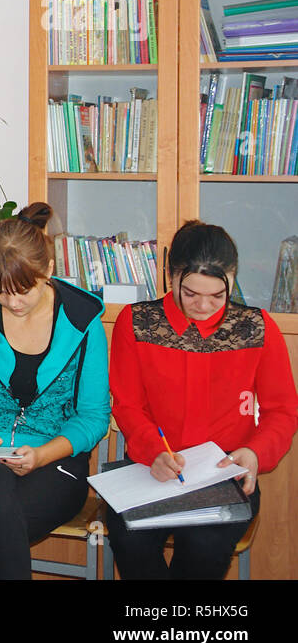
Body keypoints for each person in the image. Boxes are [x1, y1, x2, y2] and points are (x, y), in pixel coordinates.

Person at [106, 220, 298, 579]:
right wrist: (153, 452)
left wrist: (255, 453)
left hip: (225, 473)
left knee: (204, 548)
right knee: (130, 538)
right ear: (170, 275)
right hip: (153, 469)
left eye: (217, 295)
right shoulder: (136, 323)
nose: (204, 306)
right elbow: (128, 405)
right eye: (191, 293)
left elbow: (283, 411)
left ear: (232, 278)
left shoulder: (257, 328)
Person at [0, 202, 110, 580]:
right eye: (2, 294)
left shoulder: (82, 320)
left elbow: (93, 417)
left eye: (24, 291)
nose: (14, 303)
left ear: (48, 270)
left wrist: (40, 455)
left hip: (56, 461)